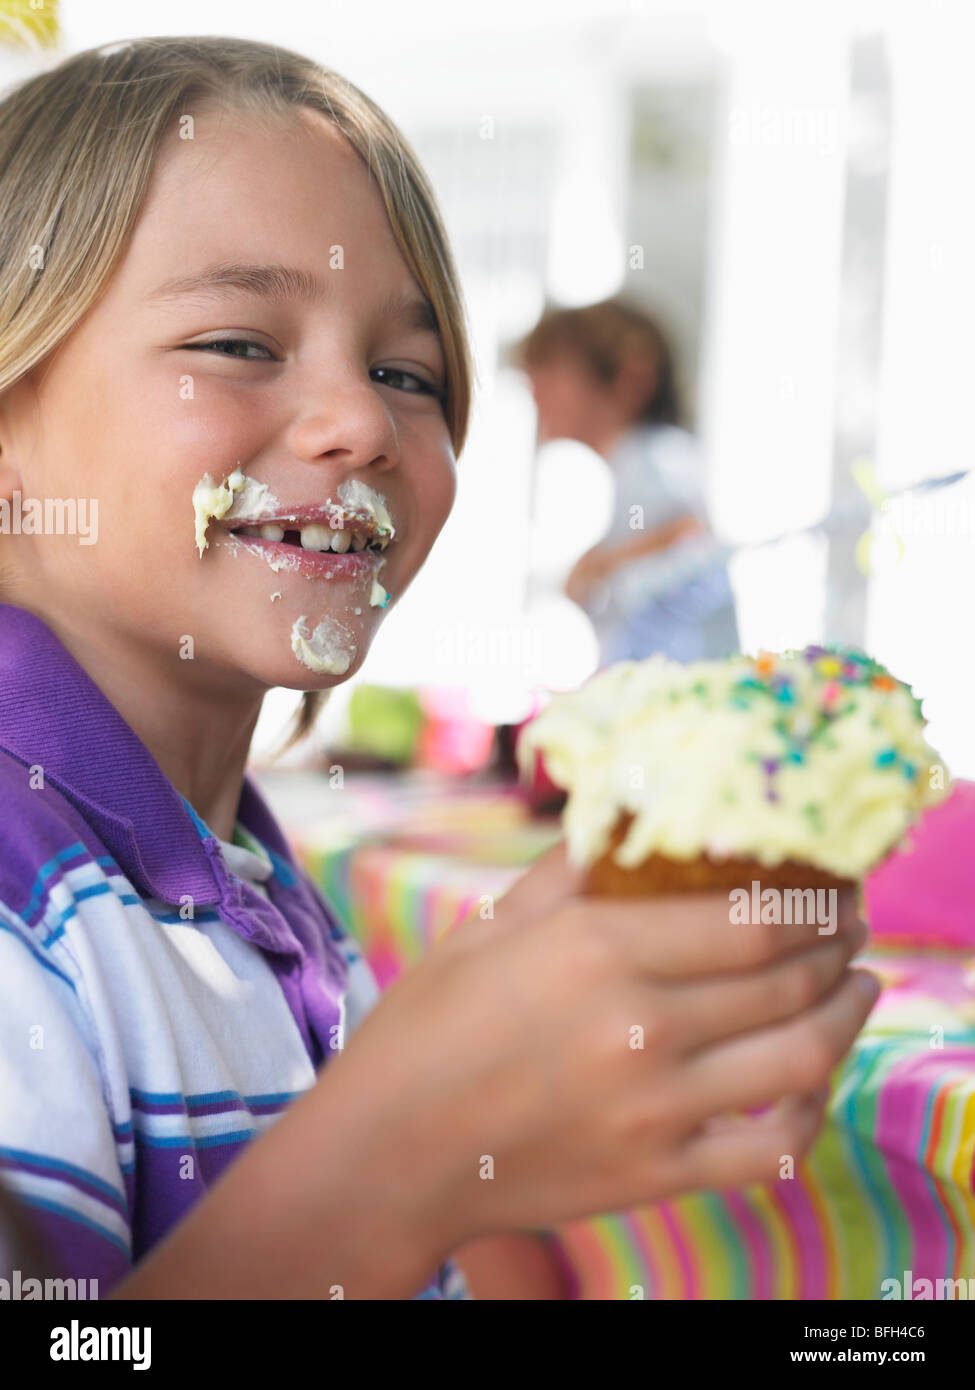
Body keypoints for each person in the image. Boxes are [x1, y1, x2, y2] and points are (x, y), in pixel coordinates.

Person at [0, 36, 879, 1302]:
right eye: (241, 343)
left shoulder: (250, 874)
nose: (361, 421)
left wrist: (476, 1170)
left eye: (407, 374)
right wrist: (403, 1157)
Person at [513, 299, 740, 665]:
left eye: (551, 371)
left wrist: (597, 567)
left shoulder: (655, 456)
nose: (535, 391)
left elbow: (689, 533)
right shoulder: (637, 460)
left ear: (630, 380)